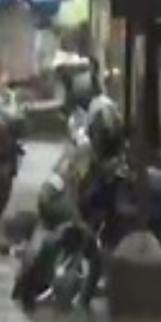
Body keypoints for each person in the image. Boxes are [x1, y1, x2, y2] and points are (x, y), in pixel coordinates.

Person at [37, 96, 127, 232]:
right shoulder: (85, 152)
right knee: (83, 235)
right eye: (102, 130)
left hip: (57, 196)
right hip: (55, 197)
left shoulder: (94, 150)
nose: (106, 132)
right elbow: (71, 185)